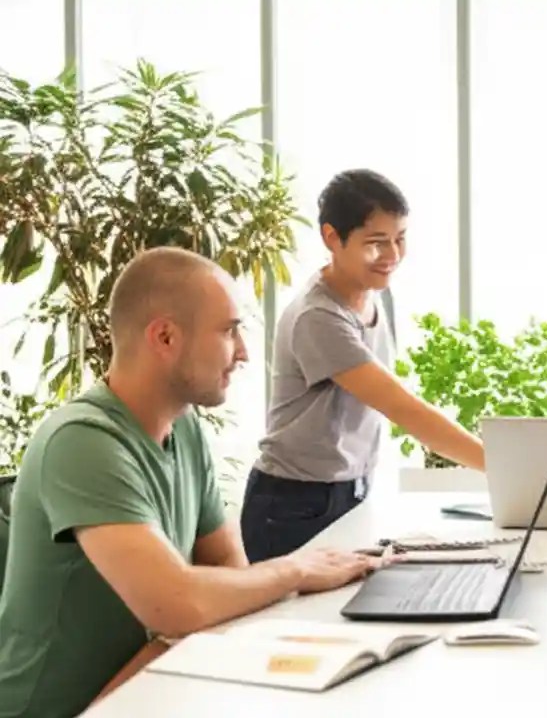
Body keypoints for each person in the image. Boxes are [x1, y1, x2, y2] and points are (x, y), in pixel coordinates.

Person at [0, 248, 386, 718]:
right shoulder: (81, 442)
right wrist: (296, 569)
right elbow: (177, 604)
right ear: (164, 337)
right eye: (228, 330)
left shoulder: (184, 430)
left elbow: (227, 570)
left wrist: (176, 634)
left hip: (152, 688)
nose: (243, 352)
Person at [242, 169, 485, 562]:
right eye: (376, 243)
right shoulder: (318, 317)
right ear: (331, 238)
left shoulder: (374, 294)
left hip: (349, 491)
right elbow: (404, 409)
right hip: (293, 506)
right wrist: (505, 469)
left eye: (400, 239)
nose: (391, 256)